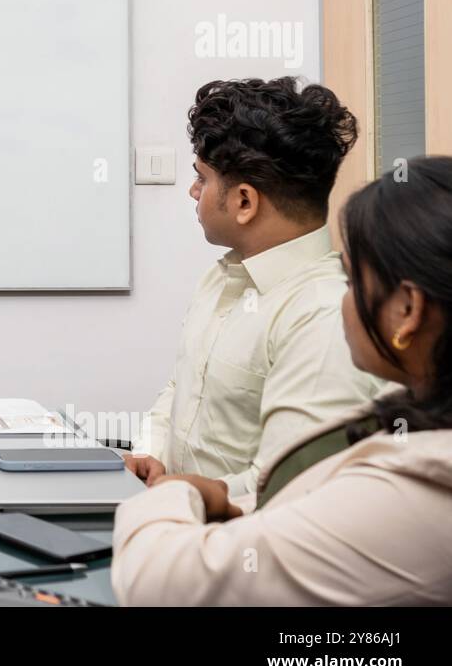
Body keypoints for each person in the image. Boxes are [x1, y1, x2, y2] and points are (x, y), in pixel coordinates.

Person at [113, 156, 452, 605]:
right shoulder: (220, 280)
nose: (341, 297)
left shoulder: (419, 485)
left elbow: (158, 583)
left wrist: (172, 495)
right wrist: (187, 480)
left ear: (407, 310)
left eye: (350, 279)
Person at [123, 78, 387, 499]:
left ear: (245, 202)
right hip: (176, 516)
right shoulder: (224, 275)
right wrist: (150, 455)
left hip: (238, 544)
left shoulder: (321, 317)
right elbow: (178, 391)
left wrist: (184, 495)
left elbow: (289, 487)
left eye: (202, 179)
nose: (193, 191)